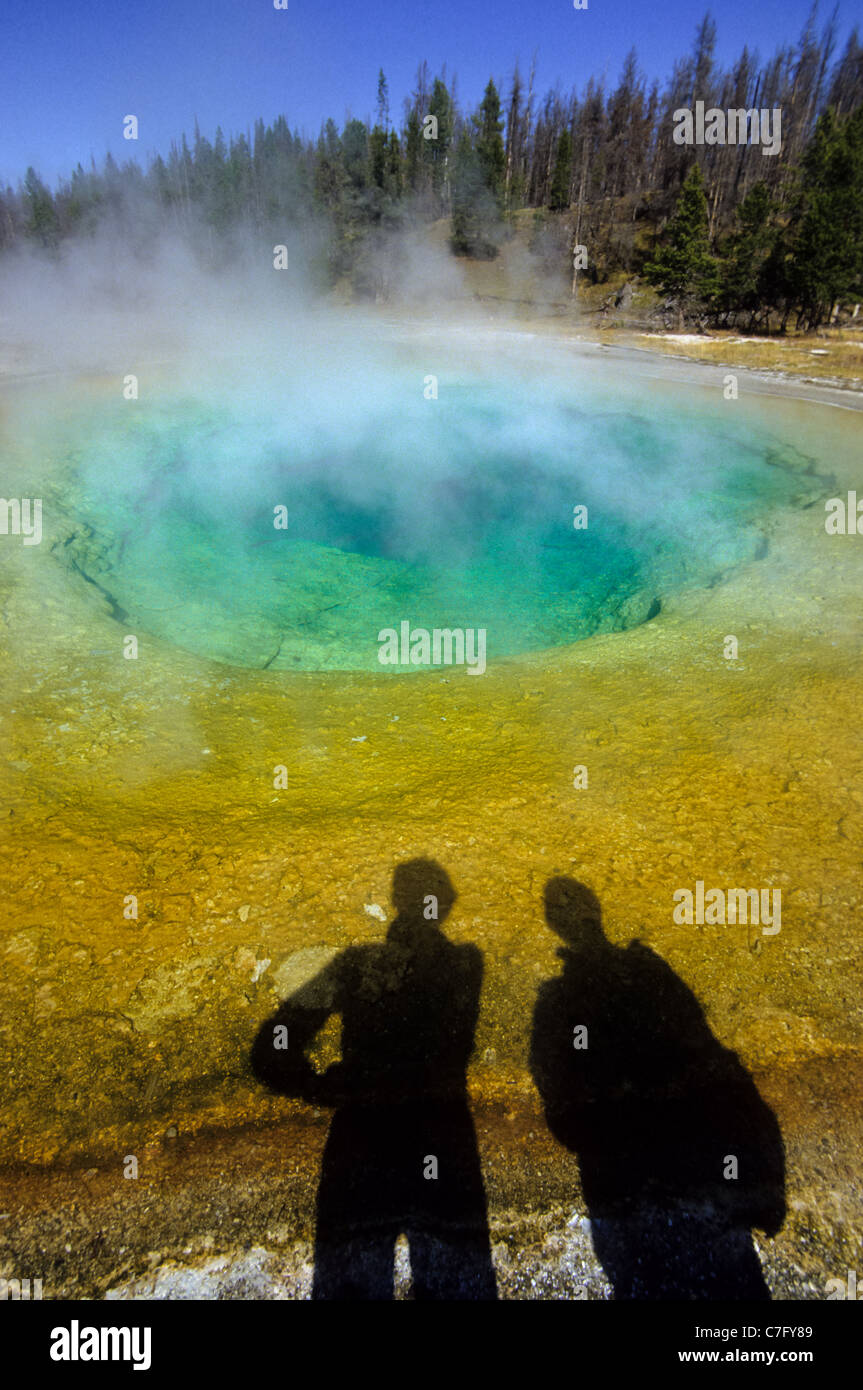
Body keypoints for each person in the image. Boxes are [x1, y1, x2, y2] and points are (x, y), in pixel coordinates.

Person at [529, 876, 786, 1299]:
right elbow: (711, 1058)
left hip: (636, 1193)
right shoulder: (646, 973)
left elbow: (557, 1093)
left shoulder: (563, 997)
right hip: (696, 1186)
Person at [252, 858, 497, 1299]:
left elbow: (271, 1045)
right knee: (454, 1281)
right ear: (446, 906)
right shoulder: (465, 966)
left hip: (362, 1142)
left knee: (351, 1284)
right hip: (441, 1139)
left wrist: (317, 1088)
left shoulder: (356, 967)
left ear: (393, 904)